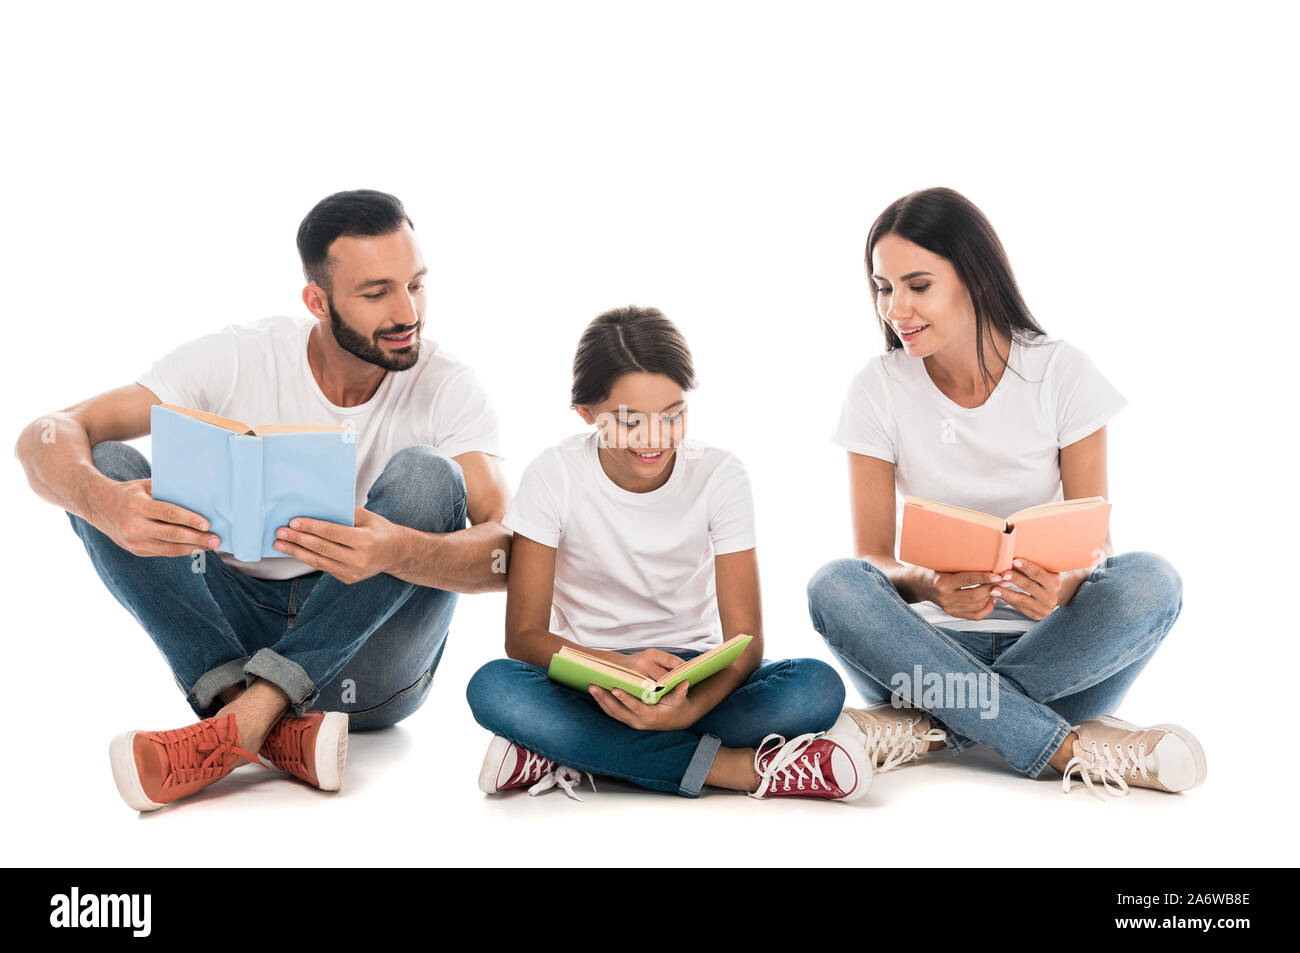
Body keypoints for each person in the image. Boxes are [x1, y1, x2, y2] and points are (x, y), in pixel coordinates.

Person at [14, 189, 511, 811]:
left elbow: (506, 552)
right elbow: (47, 433)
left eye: (416, 283)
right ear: (317, 301)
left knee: (428, 476)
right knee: (103, 469)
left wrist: (395, 550)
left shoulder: (450, 386)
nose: (407, 310)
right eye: (376, 292)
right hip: (235, 639)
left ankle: (243, 719)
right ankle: (262, 722)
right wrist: (104, 503)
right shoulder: (238, 357)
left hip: (372, 663)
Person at [806, 187, 1206, 799]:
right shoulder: (877, 387)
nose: (896, 309)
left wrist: (1068, 585)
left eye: (918, 286)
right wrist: (928, 585)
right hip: (921, 651)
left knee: (1152, 579)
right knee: (834, 585)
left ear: (973, 277)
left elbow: (1095, 542)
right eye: (883, 288)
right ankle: (1075, 748)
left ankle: (924, 732)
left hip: (1057, 653)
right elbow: (872, 561)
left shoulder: (1061, 372)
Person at [467, 305, 871, 802]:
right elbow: (524, 637)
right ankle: (738, 769)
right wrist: (619, 666)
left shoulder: (721, 476)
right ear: (587, 414)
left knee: (816, 686)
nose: (655, 438)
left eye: (673, 415)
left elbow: (746, 638)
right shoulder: (554, 476)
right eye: (630, 421)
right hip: (590, 681)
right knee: (494, 686)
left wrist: (691, 706)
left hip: (695, 676)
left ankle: (564, 749)